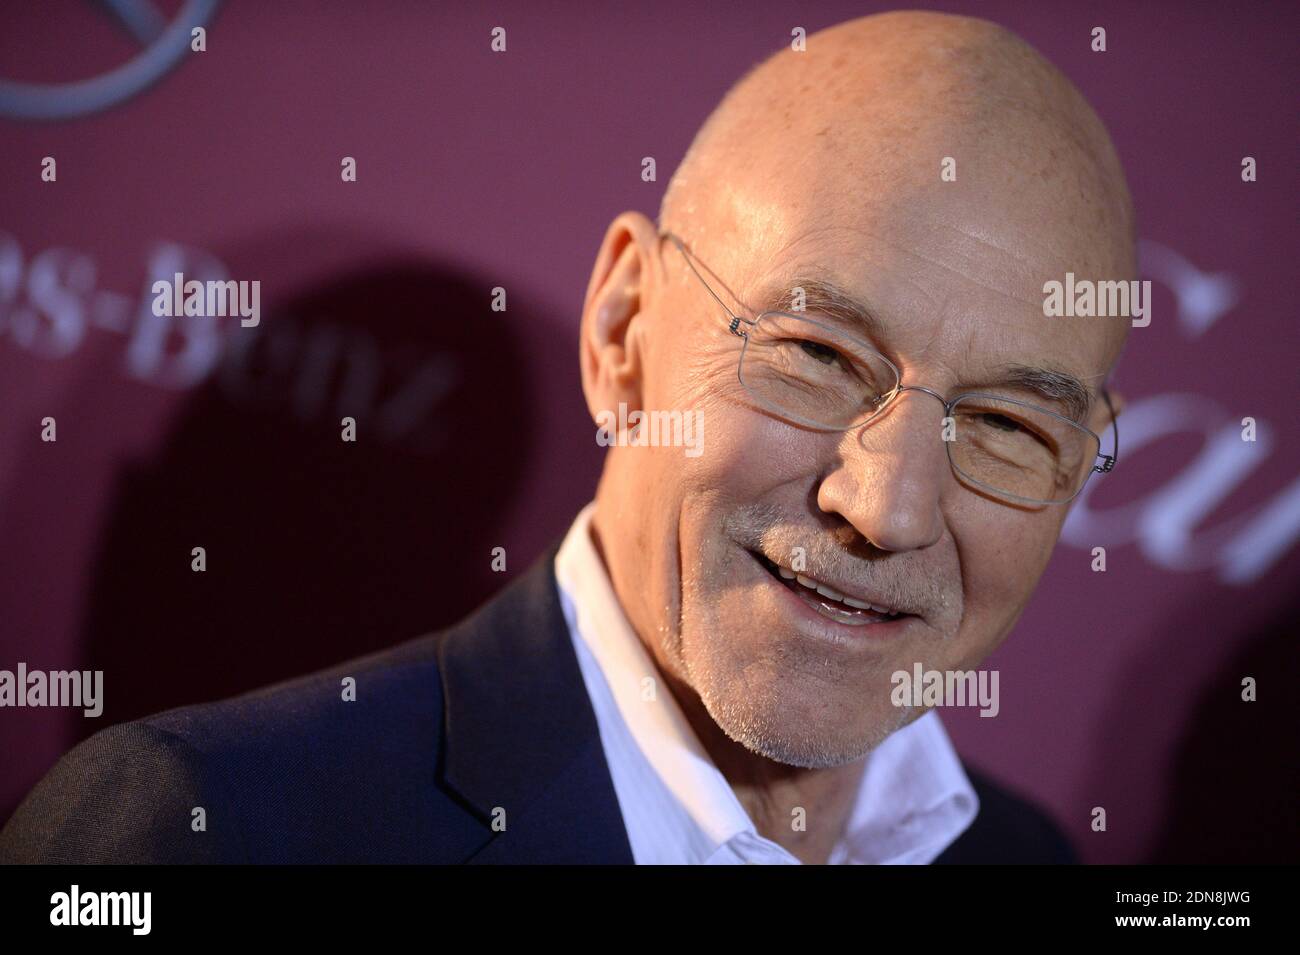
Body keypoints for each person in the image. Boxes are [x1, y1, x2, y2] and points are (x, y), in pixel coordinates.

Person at [1, 10, 1131, 864]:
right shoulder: (205, 833)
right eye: (817, 356)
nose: (886, 507)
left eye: (1004, 425)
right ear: (622, 330)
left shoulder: (1028, 861)